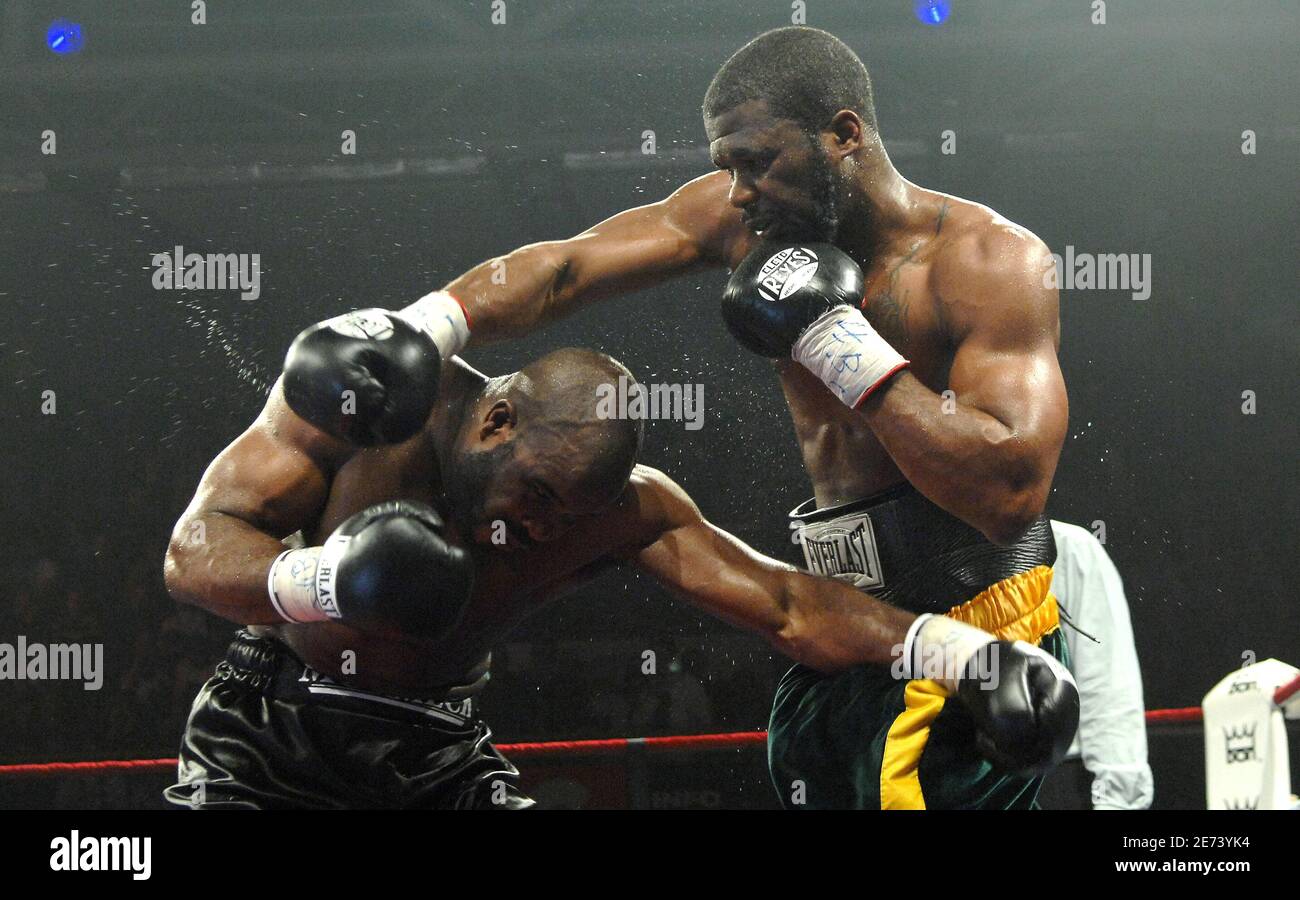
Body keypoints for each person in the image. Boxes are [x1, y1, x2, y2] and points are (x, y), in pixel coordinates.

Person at [283, 26, 1073, 809]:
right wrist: (423, 327)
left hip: (966, 605)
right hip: (845, 623)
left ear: (844, 134)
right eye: (726, 166)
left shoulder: (987, 263)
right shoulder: (750, 223)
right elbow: (564, 268)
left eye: (757, 161)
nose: (737, 191)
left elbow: (1006, 497)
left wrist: (837, 342)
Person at [161, 312, 1076, 809]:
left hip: (432, 750)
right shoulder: (384, 404)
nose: (544, 531)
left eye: (570, 517)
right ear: (495, 421)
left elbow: (788, 605)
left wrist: (962, 654)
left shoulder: (625, 511)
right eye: (539, 496)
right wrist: (323, 580)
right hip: (273, 729)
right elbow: (193, 551)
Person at [1038, 520, 1153, 810]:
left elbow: (1108, 685)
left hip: (1055, 782)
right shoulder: (920, 556)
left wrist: (1118, 801)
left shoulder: (1067, 548)